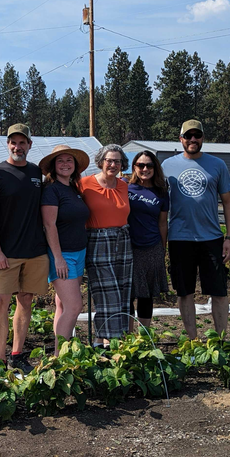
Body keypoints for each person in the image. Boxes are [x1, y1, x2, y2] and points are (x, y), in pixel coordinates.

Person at [162, 120, 230, 340]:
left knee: (219, 292)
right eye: (188, 136)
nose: (193, 140)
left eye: (197, 136)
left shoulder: (217, 165)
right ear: (181, 139)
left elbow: (228, 202)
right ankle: (193, 340)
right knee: (184, 292)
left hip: (212, 238)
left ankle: (221, 340)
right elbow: (159, 204)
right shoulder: (166, 166)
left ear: (203, 138)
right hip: (179, 238)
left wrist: (229, 237)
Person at [0, 123, 48, 372]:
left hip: (35, 251)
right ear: (7, 144)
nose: (17, 147)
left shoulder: (36, 173)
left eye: (22, 142)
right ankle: (0, 359)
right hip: (7, 254)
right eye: (13, 142)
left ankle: (17, 354)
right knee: (0, 302)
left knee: (26, 299)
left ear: (29, 145)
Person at [39, 145, 91, 356]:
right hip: (63, 255)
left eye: (69, 160)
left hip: (79, 253)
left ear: (75, 166)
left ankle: (62, 352)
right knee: (74, 306)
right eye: (60, 161)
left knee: (62, 304)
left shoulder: (73, 188)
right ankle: (61, 356)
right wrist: (58, 258)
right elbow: (49, 225)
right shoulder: (51, 190)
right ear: (53, 165)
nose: (65, 164)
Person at [79, 144, 132, 345]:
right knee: (106, 294)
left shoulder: (124, 185)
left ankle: (115, 343)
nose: (113, 164)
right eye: (109, 160)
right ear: (101, 161)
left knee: (123, 291)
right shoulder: (85, 184)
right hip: (98, 240)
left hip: (123, 240)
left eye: (117, 161)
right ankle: (102, 341)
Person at [127, 151, 169, 330]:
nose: (145, 169)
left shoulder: (161, 192)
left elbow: (162, 223)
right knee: (127, 295)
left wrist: (162, 249)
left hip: (151, 248)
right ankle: (128, 337)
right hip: (128, 248)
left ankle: (144, 338)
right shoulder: (125, 188)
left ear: (155, 167)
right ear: (134, 168)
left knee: (146, 296)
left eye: (149, 165)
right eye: (141, 165)